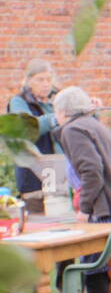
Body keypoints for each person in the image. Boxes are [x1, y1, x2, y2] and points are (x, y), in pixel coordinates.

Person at [53, 86, 111, 293]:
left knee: (95, 266)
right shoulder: (93, 124)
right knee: (110, 266)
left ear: (64, 112)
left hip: (105, 207)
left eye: (55, 111)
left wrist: (84, 210)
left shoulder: (73, 129)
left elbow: (92, 171)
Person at [8, 59, 59, 197]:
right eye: (40, 80)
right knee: (37, 215)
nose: (46, 84)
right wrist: (54, 118)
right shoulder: (19, 101)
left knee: (59, 212)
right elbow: (27, 128)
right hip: (33, 173)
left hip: (58, 171)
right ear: (29, 81)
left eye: (49, 79)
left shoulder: (56, 101)